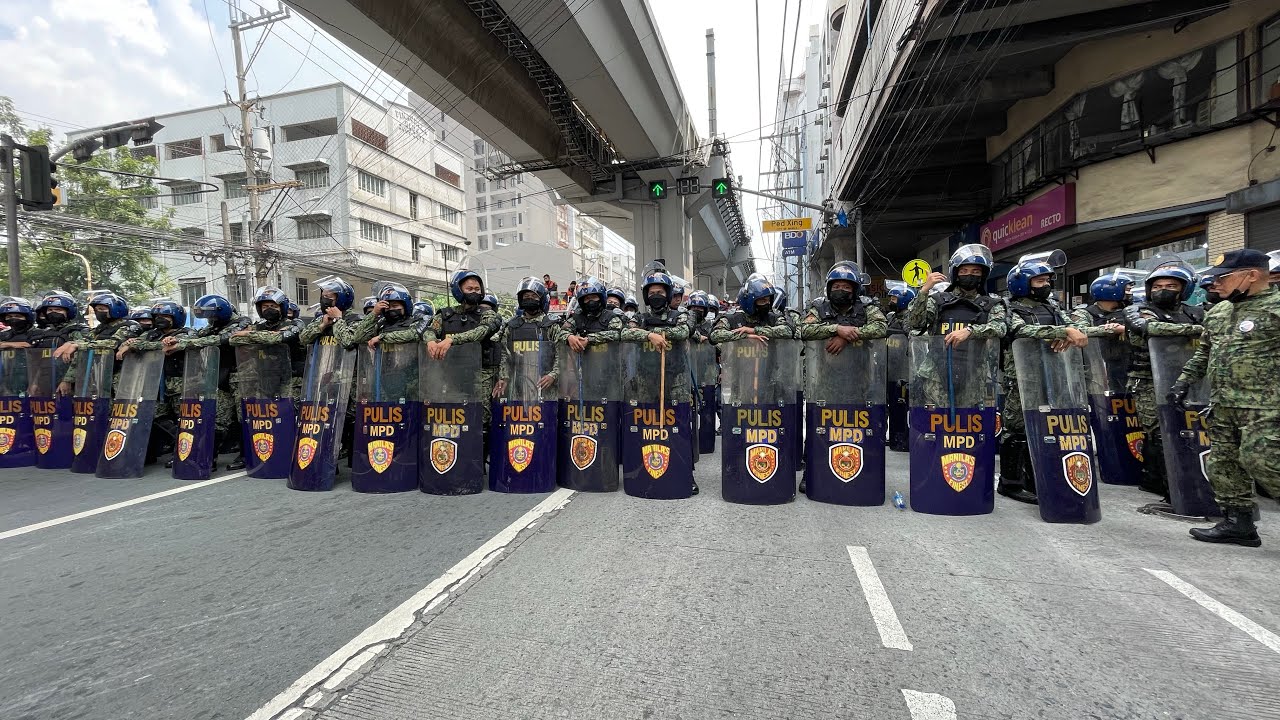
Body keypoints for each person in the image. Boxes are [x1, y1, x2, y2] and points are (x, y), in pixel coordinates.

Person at [1171, 250, 1280, 546]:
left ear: (1253, 275)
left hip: (1265, 406)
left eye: (1223, 278)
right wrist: (1184, 381)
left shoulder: (1276, 307)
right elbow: (1205, 352)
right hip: (1222, 403)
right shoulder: (1219, 312)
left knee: (1264, 462)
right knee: (1223, 464)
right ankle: (1239, 524)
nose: (1215, 284)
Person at [999, 256, 1088, 504]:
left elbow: (1076, 327)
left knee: (1048, 425)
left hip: (1054, 373)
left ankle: (1037, 478)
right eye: (1039, 280)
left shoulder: (1053, 307)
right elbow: (1019, 330)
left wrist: (1070, 333)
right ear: (1022, 283)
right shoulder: (1008, 307)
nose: (1045, 284)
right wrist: (1062, 332)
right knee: (1017, 429)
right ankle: (1010, 483)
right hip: (1021, 377)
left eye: (1047, 280)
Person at [1122, 263, 1203, 505]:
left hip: (1188, 378)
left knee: (1190, 430)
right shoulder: (1138, 310)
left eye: (1170, 286)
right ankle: (1163, 484)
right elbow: (1150, 328)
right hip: (1147, 379)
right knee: (1158, 431)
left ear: (1183, 289)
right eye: (1157, 286)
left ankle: (1192, 479)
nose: (1163, 290)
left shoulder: (1195, 312)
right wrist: (1197, 330)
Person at [623, 268, 695, 493]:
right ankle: (645, 469)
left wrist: (655, 332)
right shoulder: (639, 318)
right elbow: (624, 333)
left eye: (661, 291)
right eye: (652, 291)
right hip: (646, 379)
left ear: (668, 293)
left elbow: (684, 331)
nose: (656, 295)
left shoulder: (679, 315)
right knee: (648, 426)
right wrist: (649, 335)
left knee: (679, 426)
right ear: (646, 295)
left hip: (677, 380)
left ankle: (686, 473)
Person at [227, 287, 304, 470]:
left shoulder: (295, 323)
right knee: (260, 417)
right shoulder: (259, 326)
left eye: (273, 305)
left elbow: (280, 338)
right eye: (264, 306)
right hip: (266, 379)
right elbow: (233, 340)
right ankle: (251, 454)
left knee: (291, 417)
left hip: (292, 378)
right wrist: (254, 334)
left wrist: (250, 335)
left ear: (282, 307)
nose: (268, 309)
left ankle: (301, 455)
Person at [164, 294, 250, 460]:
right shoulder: (213, 326)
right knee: (218, 416)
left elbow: (220, 339)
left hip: (241, 376)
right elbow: (196, 335)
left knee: (243, 416)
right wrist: (176, 340)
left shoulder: (242, 322)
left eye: (212, 316)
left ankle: (246, 455)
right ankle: (207, 456)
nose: (210, 320)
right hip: (220, 376)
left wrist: (183, 344)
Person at [116, 300, 191, 462]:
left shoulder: (185, 333)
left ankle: (184, 451)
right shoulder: (152, 334)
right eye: (157, 316)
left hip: (178, 381)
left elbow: (170, 346)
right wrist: (128, 344)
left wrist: (141, 345)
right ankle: (166, 448)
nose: (159, 319)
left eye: (165, 316)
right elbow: (133, 342)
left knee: (182, 417)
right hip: (153, 382)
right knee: (157, 415)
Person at [56, 293, 138, 395]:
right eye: (96, 310)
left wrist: (78, 345)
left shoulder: (130, 326)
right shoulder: (100, 329)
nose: (98, 312)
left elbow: (113, 343)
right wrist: (71, 343)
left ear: (115, 309)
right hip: (99, 376)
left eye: (102, 309)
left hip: (123, 377)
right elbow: (85, 342)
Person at [494, 277, 561, 398]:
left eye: (534, 296)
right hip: (518, 386)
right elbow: (504, 354)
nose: (529, 299)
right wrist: (503, 377)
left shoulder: (551, 325)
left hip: (545, 386)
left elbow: (561, 354)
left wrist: (553, 375)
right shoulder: (511, 326)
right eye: (526, 296)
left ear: (541, 299)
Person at [799, 261, 888, 347]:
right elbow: (804, 330)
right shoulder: (820, 307)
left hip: (861, 359)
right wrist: (837, 329)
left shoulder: (865, 306)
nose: (841, 290)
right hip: (825, 360)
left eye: (846, 287)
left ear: (854, 291)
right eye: (836, 287)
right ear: (829, 290)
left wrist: (847, 336)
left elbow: (881, 327)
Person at [299, 276, 362, 350]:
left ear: (341, 299)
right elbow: (303, 339)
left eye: (327, 296)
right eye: (323, 297)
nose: (324, 300)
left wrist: (338, 320)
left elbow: (348, 343)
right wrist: (322, 326)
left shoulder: (354, 320)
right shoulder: (321, 319)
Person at [1070, 272, 1132, 337]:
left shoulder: (1129, 311)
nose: (1130, 293)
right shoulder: (1084, 314)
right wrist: (1110, 329)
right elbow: (1077, 332)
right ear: (1111, 291)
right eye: (1127, 290)